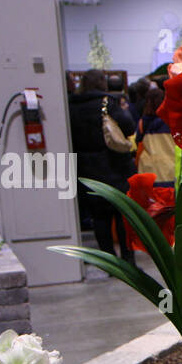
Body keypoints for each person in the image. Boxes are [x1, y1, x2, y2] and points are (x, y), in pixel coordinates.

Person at [68, 68, 136, 263]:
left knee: (100, 217)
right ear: (102, 83)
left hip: (87, 168)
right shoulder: (107, 103)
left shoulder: (71, 106)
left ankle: (109, 261)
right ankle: (128, 259)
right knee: (123, 214)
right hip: (114, 166)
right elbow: (128, 125)